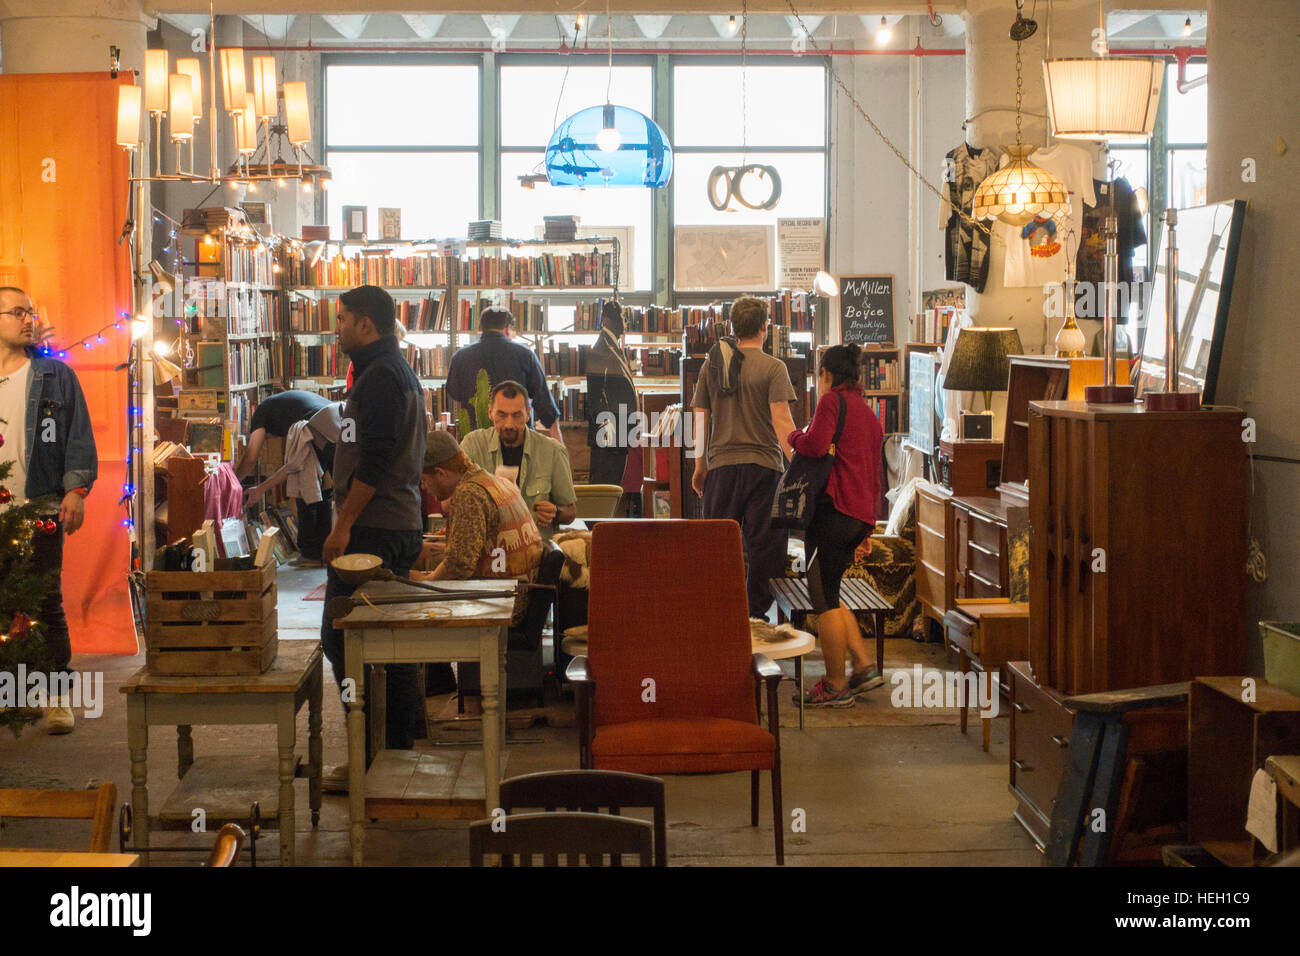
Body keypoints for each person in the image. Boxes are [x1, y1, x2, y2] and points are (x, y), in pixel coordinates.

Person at [319, 285, 426, 787]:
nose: (336, 328)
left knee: (341, 641)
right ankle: (394, 754)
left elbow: (376, 464)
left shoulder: (381, 377)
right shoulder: (391, 371)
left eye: (342, 319)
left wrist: (342, 527)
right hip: (394, 523)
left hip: (373, 531)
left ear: (366, 324)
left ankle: (370, 756)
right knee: (391, 644)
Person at [0, 286, 97, 734]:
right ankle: (16, 696)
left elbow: (78, 434)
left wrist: (75, 491)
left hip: (38, 504)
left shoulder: (54, 376)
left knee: (45, 602)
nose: (28, 319)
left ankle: (57, 698)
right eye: (16, 312)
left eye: (29, 312)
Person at [788, 344, 885, 707]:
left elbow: (814, 446)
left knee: (822, 599)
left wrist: (794, 436)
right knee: (833, 590)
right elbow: (874, 476)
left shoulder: (832, 402)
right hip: (859, 516)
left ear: (827, 373)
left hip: (833, 514)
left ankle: (834, 686)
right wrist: (869, 528)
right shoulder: (868, 413)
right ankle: (862, 666)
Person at [689, 296, 798, 618]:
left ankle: (722, 614)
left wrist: (700, 464)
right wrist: (799, 463)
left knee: (718, 548)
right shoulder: (774, 368)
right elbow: (782, 422)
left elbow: (699, 415)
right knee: (766, 550)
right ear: (766, 328)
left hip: (721, 469)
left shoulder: (713, 364)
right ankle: (753, 616)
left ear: (732, 329)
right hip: (764, 469)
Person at [411, 430, 543, 623]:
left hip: (501, 605)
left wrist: (424, 582)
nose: (423, 487)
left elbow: (459, 566)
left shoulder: (468, 494)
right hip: (519, 597)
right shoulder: (493, 482)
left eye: (424, 479)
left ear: (440, 473)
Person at [460, 380, 576, 540]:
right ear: (490, 412)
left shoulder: (552, 451)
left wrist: (555, 512)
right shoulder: (473, 445)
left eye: (516, 415)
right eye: (501, 414)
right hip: (486, 551)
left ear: (528, 414)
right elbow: (451, 502)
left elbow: (570, 513)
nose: (509, 424)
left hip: (536, 552)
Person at [236, 390, 338, 563]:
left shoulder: (261, 413)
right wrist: (261, 489)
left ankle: (311, 554)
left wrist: (234, 482)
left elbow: (252, 457)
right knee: (326, 491)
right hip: (337, 426)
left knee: (304, 486)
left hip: (320, 428)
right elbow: (292, 464)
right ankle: (324, 552)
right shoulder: (286, 407)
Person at [446, 307, 562, 440]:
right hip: (518, 438)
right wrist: (560, 444)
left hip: (477, 439)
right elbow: (543, 402)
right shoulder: (525, 355)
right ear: (507, 328)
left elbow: (454, 393)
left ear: (482, 328)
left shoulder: (460, 357)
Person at [585, 300, 638, 486]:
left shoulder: (613, 346)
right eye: (620, 317)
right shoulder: (600, 350)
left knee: (613, 488)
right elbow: (595, 397)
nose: (624, 321)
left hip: (618, 435)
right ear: (606, 320)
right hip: (609, 440)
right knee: (604, 490)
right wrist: (609, 435)